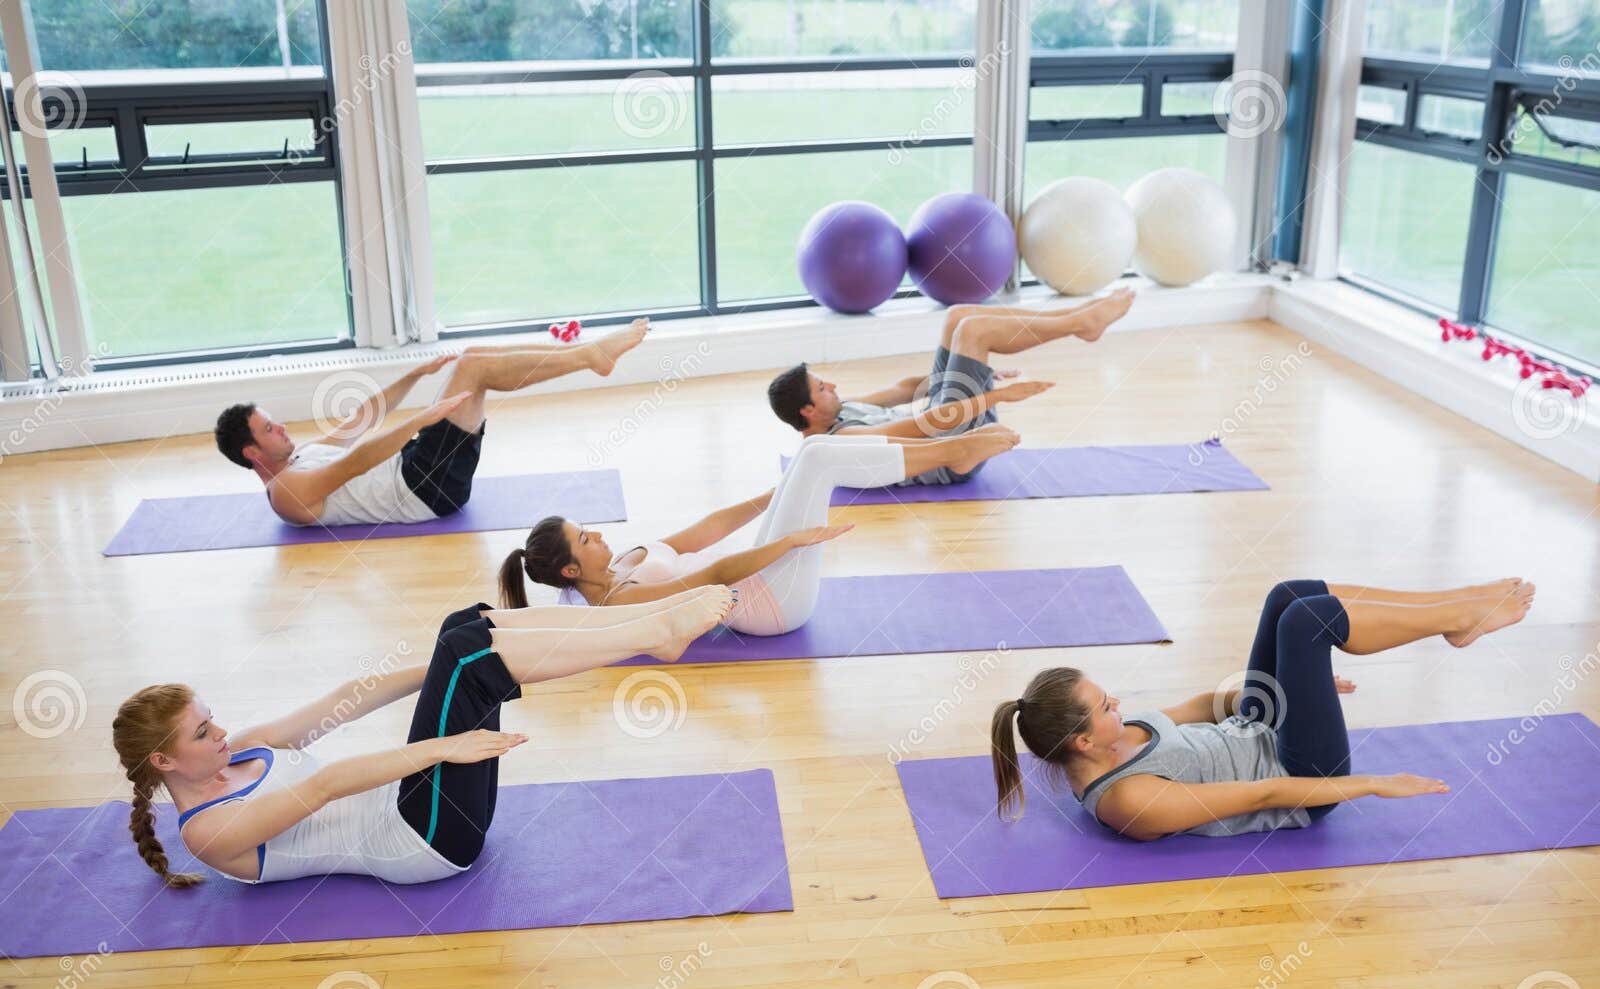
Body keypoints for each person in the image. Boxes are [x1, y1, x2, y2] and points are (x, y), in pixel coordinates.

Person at [112, 586, 733, 886]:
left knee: (462, 629)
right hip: (423, 841)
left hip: (417, 800)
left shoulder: (245, 746)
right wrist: (443, 748)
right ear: (164, 759)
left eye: (211, 717)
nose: (220, 732)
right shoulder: (207, 834)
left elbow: (344, 702)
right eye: (202, 731)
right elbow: (327, 785)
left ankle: (644, 622)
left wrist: (438, 661)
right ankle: (651, 636)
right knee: (466, 653)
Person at [990, 577, 1536, 840]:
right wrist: (1373, 783)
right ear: (1083, 742)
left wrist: (1291, 694)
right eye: (1106, 705)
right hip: (1298, 770)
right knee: (1308, 623)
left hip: (1257, 726)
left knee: (1285, 597)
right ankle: (1458, 616)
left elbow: (1204, 705)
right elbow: (1263, 793)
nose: (1120, 703)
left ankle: (1453, 608)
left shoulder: (1117, 735)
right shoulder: (1130, 800)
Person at [498, 428, 1020, 636]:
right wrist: (789, 539)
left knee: (813, 454)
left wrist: (773, 495)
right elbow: (715, 574)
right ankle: (952, 451)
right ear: (571, 569)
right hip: (772, 607)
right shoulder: (616, 601)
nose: (599, 537)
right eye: (586, 539)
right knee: (817, 460)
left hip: (760, 577)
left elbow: (699, 535)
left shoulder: (618, 567)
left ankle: (951, 446)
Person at [212, 320, 650, 528]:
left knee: (472, 357)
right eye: (269, 430)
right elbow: (358, 462)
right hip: (422, 489)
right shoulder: (285, 494)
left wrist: (416, 375)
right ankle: (590, 356)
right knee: (475, 372)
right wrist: (422, 420)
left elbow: (364, 418)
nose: (282, 428)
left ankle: (590, 353)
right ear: (252, 453)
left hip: (416, 466)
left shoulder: (300, 457)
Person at [764, 289, 1135, 484]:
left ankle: (1078, 318)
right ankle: (1079, 322)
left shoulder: (840, 412)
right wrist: (995, 394)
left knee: (958, 316)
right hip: (953, 451)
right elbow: (931, 425)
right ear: (808, 412)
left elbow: (905, 388)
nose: (832, 385)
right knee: (975, 332)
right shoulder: (839, 442)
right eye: (822, 388)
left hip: (944, 416)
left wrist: (974, 373)